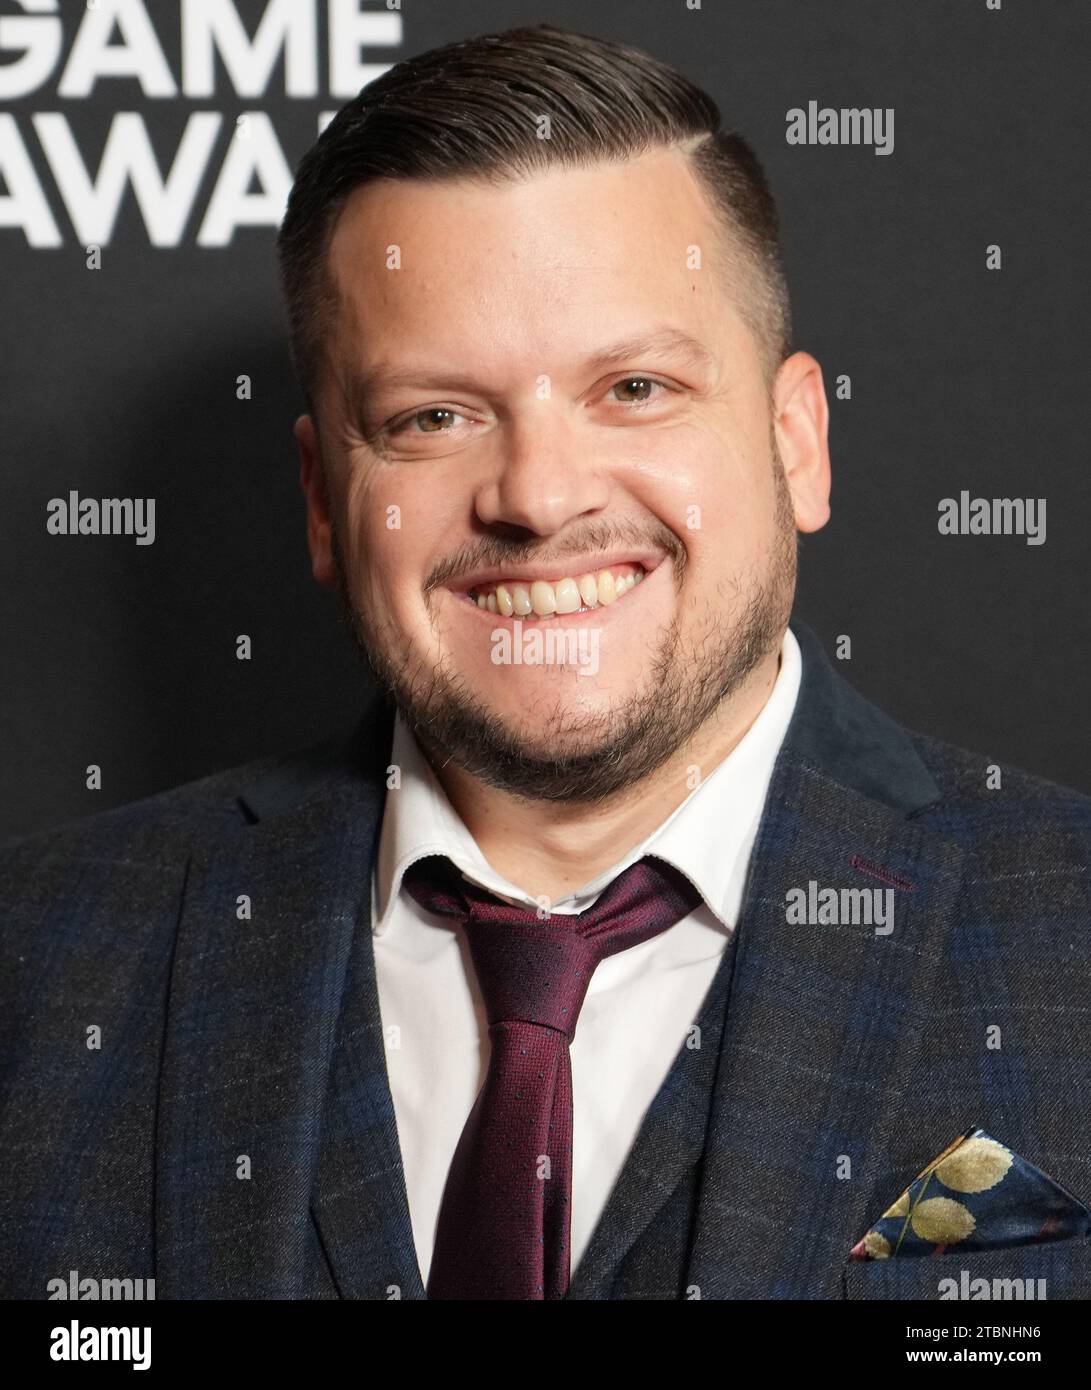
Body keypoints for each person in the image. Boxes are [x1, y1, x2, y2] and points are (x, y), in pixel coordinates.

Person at [2, 24, 1089, 1303]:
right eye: (432, 418)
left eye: (632, 388)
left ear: (796, 440)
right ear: (318, 498)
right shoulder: (41, 957)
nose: (535, 495)